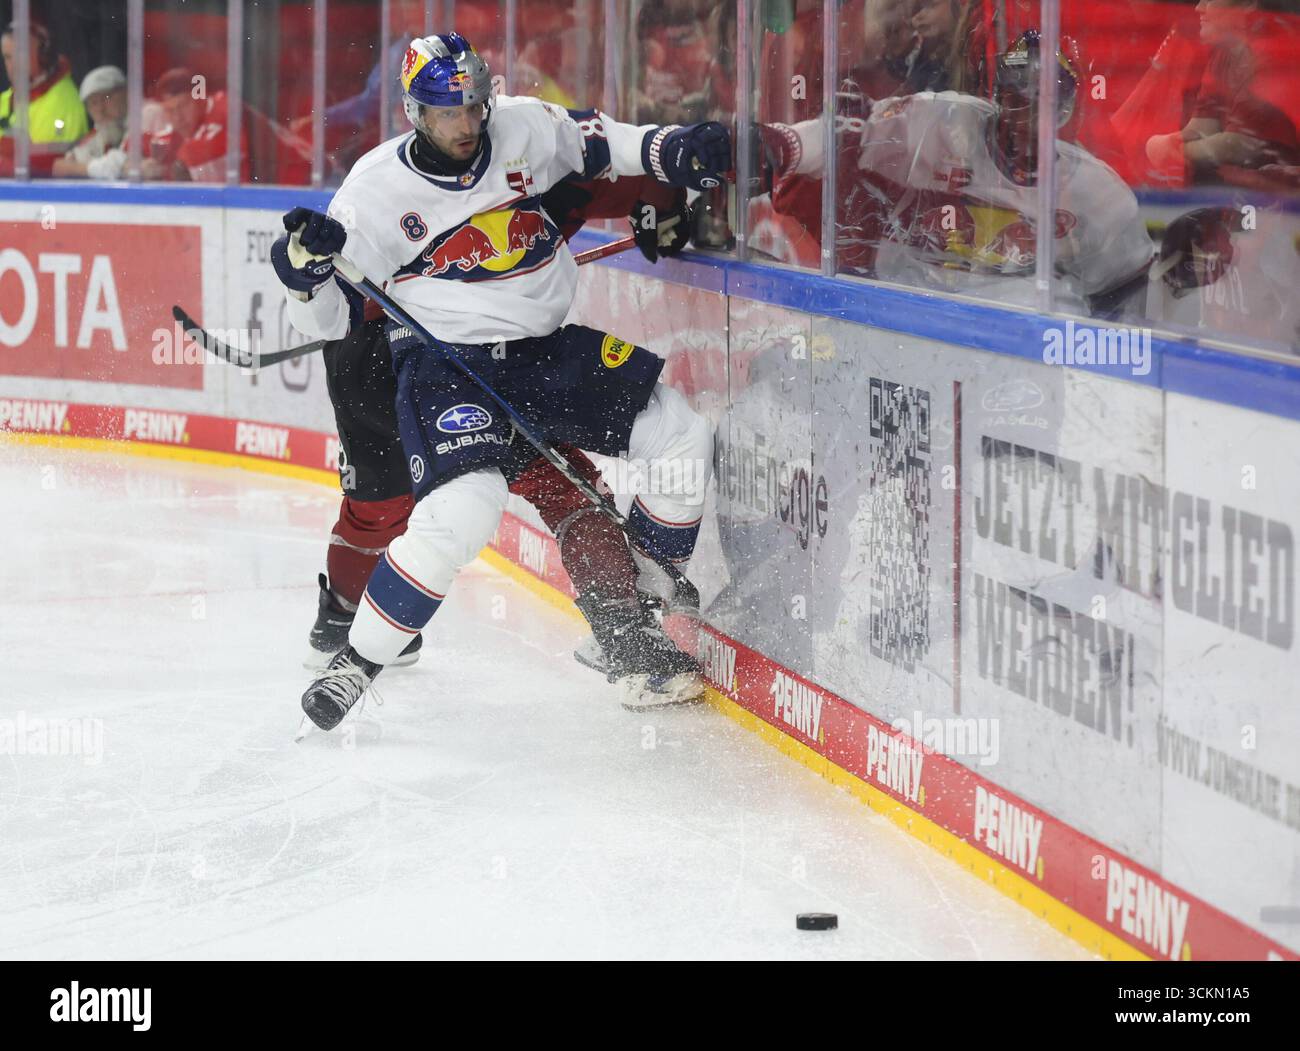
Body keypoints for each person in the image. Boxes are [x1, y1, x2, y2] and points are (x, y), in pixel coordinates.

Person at [272, 33, 729, 731]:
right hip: (449, 367)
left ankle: (635, 605)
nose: (466, 124)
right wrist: (302, 271)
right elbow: (332, 315)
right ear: (413, 113)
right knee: (464, 511)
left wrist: (672, 147)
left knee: (681, 434)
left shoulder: (520, 125)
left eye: (474, 106)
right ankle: (354, 665)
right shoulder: (372, 191)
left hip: (546, 351)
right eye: (447, 111)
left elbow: (600, 140)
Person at [308, 173, 696, 695]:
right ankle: (625, 633)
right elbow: (602, 178)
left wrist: (661, 199)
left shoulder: (436, 179)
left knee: (377, 504)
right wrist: (662, 201)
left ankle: (341, 617)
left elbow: (605, 174)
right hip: (426, 369)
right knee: (560, 489)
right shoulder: (499, 173)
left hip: (382, 367)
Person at [0, 20, 89, 173]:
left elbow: (48, 167)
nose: (13, 65)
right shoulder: (6, 99)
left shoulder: (64, 104)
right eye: (8, 57)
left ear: (44, 57)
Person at [51, 66, 127, 178]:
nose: (101, 109)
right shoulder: (100, 133)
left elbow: (126, 165)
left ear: (125, 94)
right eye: (94, 103)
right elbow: (64, 165)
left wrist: (76, 168)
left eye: (106, 98)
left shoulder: (146, 117)